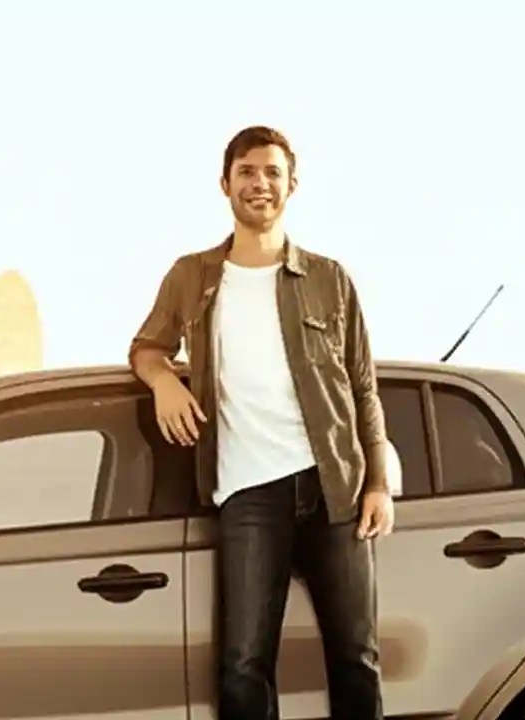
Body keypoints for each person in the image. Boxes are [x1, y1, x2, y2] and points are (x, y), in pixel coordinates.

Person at [127, 125, 394, 719]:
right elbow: (146, 347)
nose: (260, 184)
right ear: (225, 184)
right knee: (245, 663)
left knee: (357, 658)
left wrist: (376, 481)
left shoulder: (330, 279)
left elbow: (363, 388)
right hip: (248, 491)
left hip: (336, 490)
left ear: (292, 185)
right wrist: (165, 379)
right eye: (247, 171)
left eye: (273, 173)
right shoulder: (192, 275)